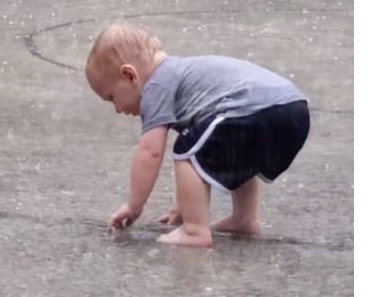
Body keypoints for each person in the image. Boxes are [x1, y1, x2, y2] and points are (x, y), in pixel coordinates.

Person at [84, 22, 310, 247]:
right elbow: (209, 145)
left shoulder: (155, 86)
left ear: (130, 75)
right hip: (292, 109)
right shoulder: (179, 74)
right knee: (237, 152)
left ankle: (195, 231)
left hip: (257, 110)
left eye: (111, 97)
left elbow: (150, 152)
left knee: (187, 150)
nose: (116, 109)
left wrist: (134, 206)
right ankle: (244, 219)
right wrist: (187, 204)